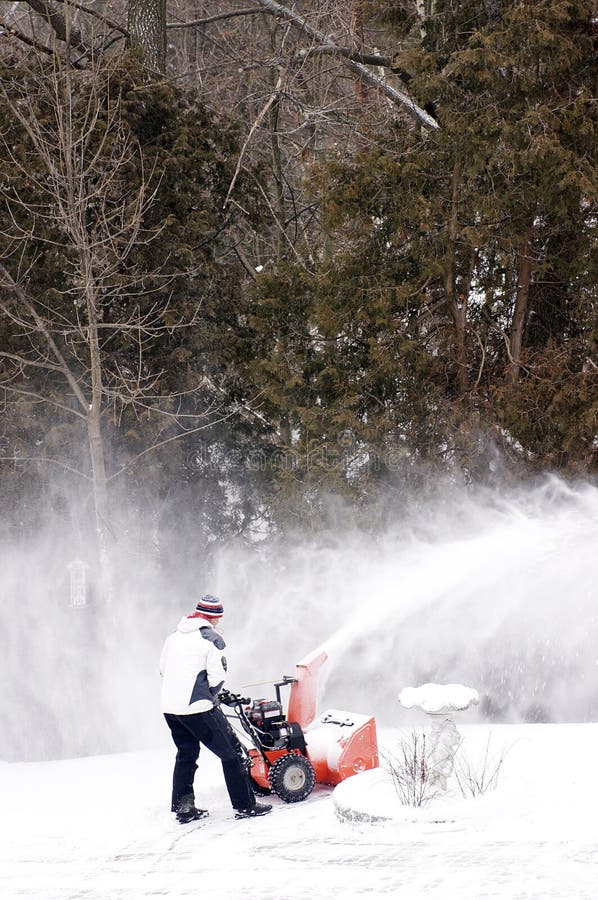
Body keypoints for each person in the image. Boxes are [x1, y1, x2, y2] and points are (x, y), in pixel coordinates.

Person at [160, 593, 272, 822]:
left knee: (186, 754)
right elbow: (217, 676)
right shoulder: (211, 639)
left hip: (171, 709)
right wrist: (212, 695)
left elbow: (163, 669)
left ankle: (184, 809)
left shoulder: (173, 638)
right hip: (198, 708)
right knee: (233, 753)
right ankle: (245, 806)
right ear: (214, 618)